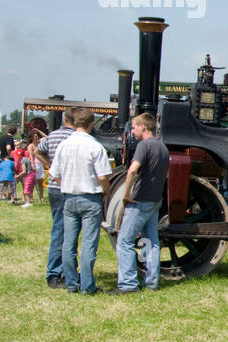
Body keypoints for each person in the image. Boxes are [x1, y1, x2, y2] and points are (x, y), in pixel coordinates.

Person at [48, 108, 113, 295]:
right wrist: (106, 193)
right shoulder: (95, 146)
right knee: (88, 245)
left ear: (75, 122)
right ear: (92, 124)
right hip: (90, 198)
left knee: (68, 244)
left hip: (69, 198)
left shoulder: (64, 145)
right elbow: (102, 177)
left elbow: (54, 175)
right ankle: (87, 285)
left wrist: (65, 185)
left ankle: (70, 284)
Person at [110, 113, 168, 293]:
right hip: (155, 201)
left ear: (143, 127)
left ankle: (128, 285)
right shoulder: (162, 146)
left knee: (125, 242)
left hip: (140, 201)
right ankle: (151, 283)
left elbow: (132, 171)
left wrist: (126, 195)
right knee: (151, 242)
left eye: (134, 127)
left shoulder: (144, 145)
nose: (132, 131)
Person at [36, 117, 76, 288]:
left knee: (58, 230)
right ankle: (57, 273)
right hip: (68, 186)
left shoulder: (51, 136)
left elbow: (37, 151)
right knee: (67, 232)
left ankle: (58, 271)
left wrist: (51, 166)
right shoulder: (75, 137)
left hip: (53, 186)